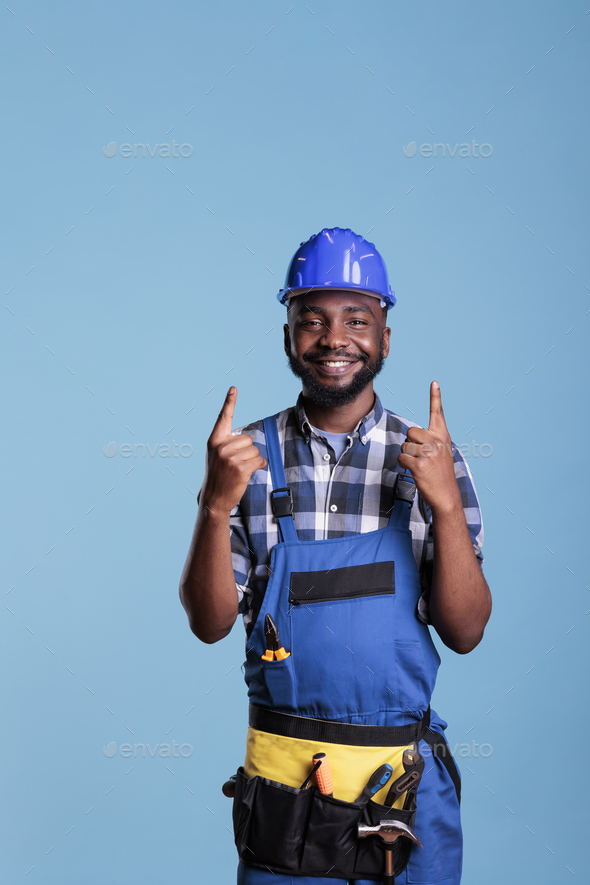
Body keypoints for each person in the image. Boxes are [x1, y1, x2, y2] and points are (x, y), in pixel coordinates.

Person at [180, 228, 491, 885]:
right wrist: (214, 504)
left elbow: (465, 632)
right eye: (311, 320)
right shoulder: (246, 459)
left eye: (357, 319)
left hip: (401, 795)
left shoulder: (431, 457)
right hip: (286, 802)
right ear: (289, 332)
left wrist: (443, 505)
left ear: (384, 333)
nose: (334, 338)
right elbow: (209, 623)